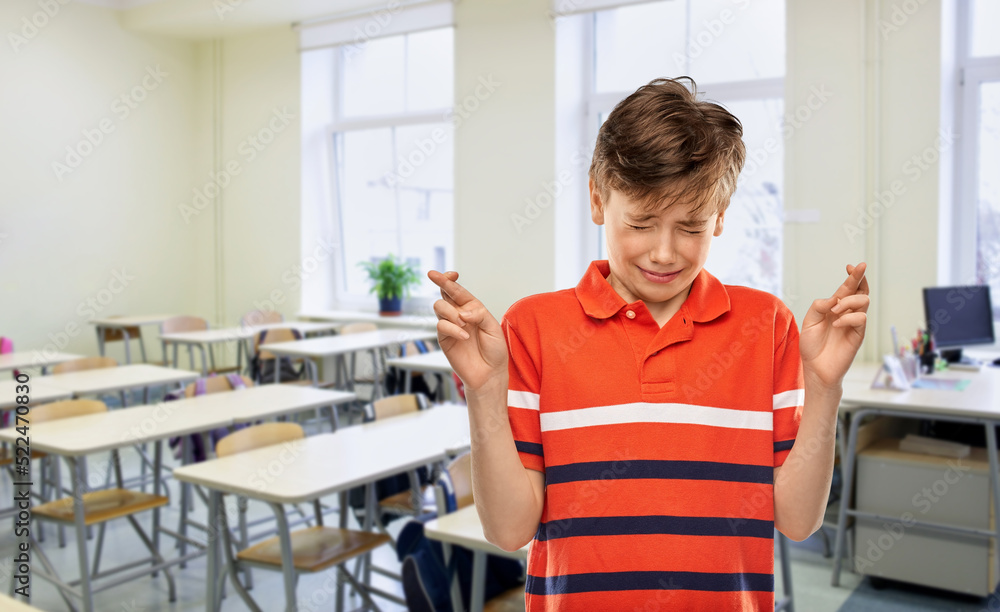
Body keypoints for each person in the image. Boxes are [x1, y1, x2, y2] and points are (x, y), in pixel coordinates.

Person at [429, 77, 869, 611]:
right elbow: (509, 530)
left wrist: (825, 387)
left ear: (722, 215)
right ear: (598, 198)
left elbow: (799, 522)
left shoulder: (766, 325)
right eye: (640, 223)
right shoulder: (533, 328)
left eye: (690, 227)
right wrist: (483, 391)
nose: (664, 252)